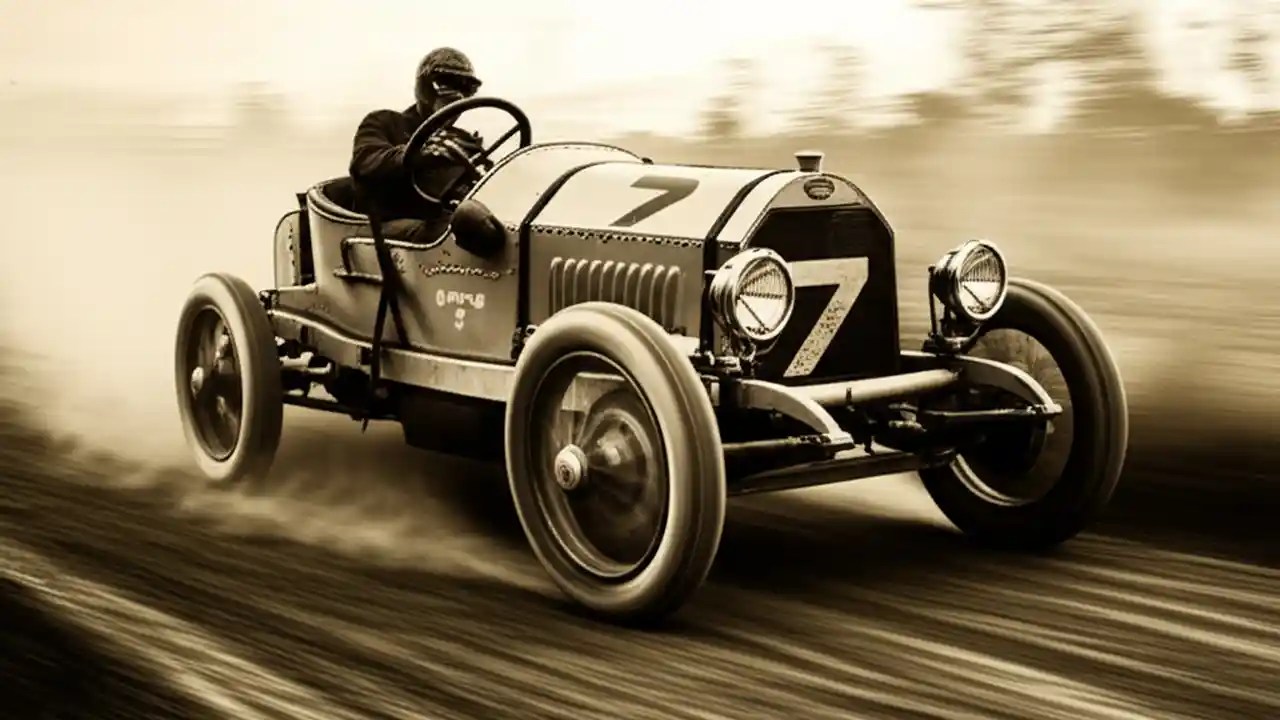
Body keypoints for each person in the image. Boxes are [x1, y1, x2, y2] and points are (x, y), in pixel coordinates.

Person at [347, 47, 487, 239]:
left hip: (440, 224)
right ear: (427, 89)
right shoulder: (384, 122)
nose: (457, 96)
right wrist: (418, 153)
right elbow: (366, 162)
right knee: (448, 232)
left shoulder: (461, 141)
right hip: (383, 230)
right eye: (447, 84)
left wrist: (482, 173)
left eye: (466, 89)